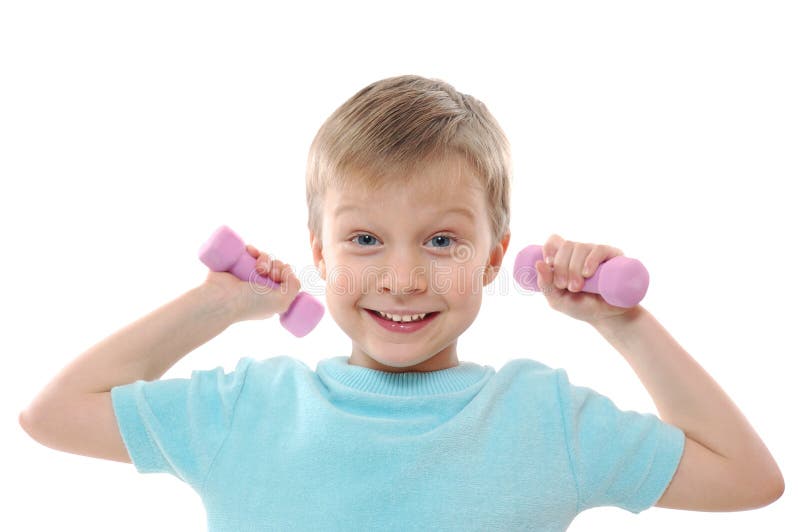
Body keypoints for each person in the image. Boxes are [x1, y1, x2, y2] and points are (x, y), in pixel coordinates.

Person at [19, 74, 784, 531]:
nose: (404, 278)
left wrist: (622, 323)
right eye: (364, 239)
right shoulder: (247, 408)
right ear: (319, 252)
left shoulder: (544, 418)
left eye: (442, 241)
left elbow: (748, 479)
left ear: (493, 256)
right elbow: (53, 415)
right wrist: (215, 304)